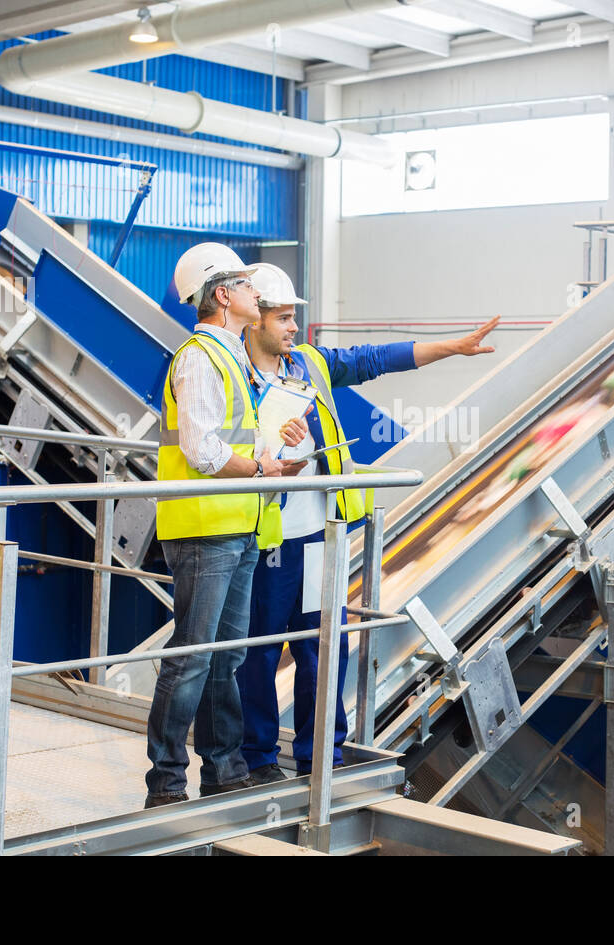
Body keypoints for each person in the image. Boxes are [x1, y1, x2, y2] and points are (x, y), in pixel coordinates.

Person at [237, 262, 499, 783]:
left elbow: (375, 359)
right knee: (258, 653)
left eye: (295, 318)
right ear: (254, 318)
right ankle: (259, 760)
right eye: (285, 318)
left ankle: (322, 757)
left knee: (321, 648)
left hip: (318, 535)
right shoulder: (230, 371)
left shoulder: (307, 363)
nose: (294, 328)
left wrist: (453, 346)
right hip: (266, 538)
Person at [144, 244, 308, 808]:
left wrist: (276, 445)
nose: (254, 294)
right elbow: (203, 451)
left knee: (226, 656)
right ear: (222, 295)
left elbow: (236, 437)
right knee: (192, 654)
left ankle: (222, 768)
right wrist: (260, 466)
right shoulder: (198, 358)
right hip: (203, 527)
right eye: (244, 285)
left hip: (237, 525)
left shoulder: (232, 356)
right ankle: (166, 782)